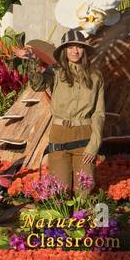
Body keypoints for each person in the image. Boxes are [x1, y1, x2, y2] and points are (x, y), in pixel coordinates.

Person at [17, 29, 106, 194]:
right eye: (70, 47)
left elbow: (99, 113)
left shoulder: (96, 76)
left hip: (85, 136)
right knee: (59, 190)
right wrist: (32, 62)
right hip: (59, 134)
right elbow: (38, 85)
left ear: (84, 49)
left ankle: (83, 219)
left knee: (84, 190)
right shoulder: (56, 72)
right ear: (64, 50)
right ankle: (63, 219)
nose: (74, 51)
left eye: (78, 47)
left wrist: (95, 144)